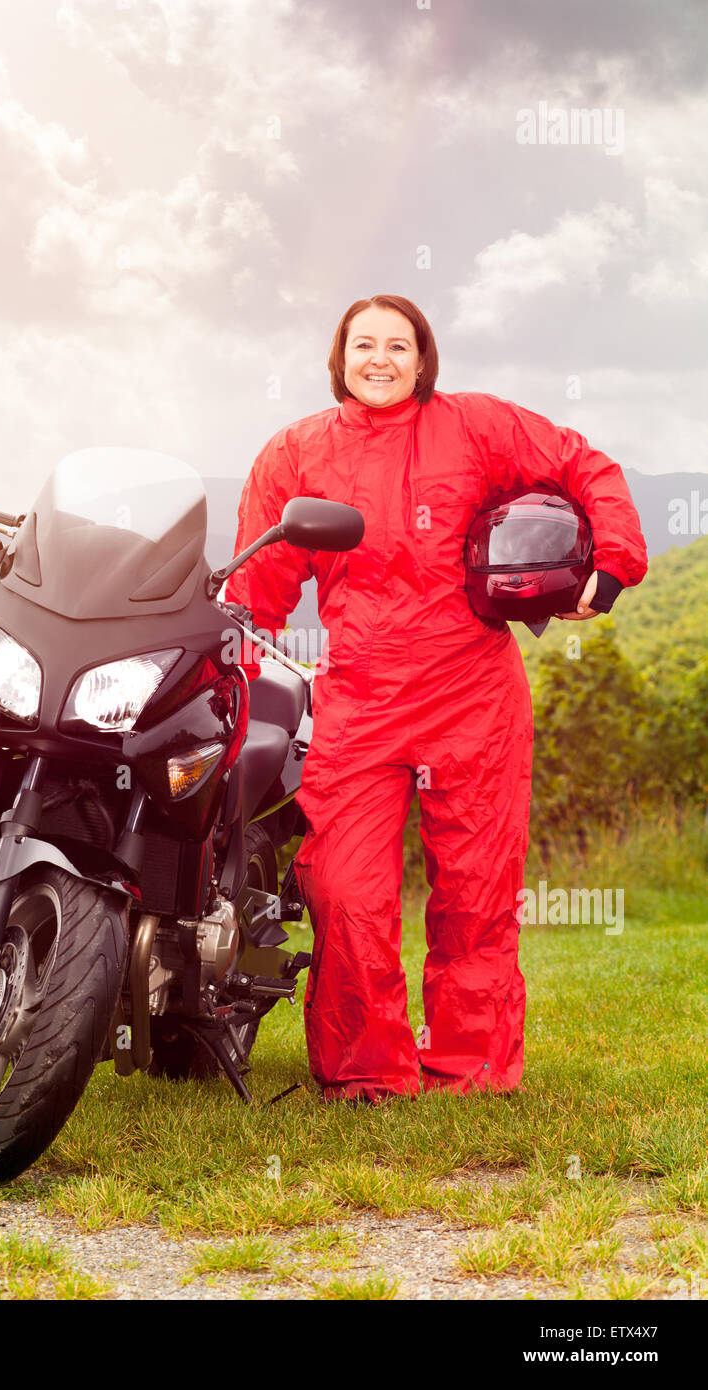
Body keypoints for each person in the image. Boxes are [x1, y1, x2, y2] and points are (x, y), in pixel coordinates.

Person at [223, 294, 648, 1104]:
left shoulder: (476, 426)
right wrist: (230, 663)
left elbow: (581, 463)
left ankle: (470, 1068)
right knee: (346, 888)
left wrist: (615, 561)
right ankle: (367, 1070)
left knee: (476, 891)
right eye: (362, 345)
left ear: (423, 360)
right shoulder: (296, 453)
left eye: (397, 345)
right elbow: (257, 591)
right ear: (338, 358)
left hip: (474, 692)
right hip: (359, 696)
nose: (379, 360)